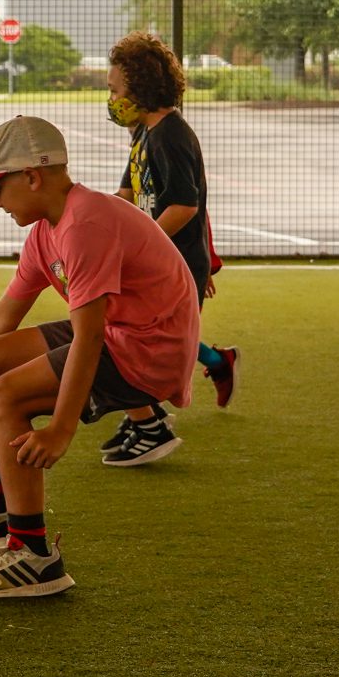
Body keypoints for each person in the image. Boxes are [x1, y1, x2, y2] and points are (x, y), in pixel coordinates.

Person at [0, 117, 198, 600]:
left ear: (32, 176)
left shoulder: (86, 224)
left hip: (150, 350)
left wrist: (61, 428)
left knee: (7, 393)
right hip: (119, 331)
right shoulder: (47, 230)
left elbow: (88, 338)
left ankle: (33, 554)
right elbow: (5, 312)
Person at [104, 33, 239, 466]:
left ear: (140, 89)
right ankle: (146, 413)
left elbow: (185, 203)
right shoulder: (144, 132)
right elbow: (127, 193)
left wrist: (150, 248)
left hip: (171, 262)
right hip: (158, 259)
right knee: (136, 334)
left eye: (115, 90)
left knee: (136, 338)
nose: (111, 99)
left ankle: (149, 421)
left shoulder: (171, 136)